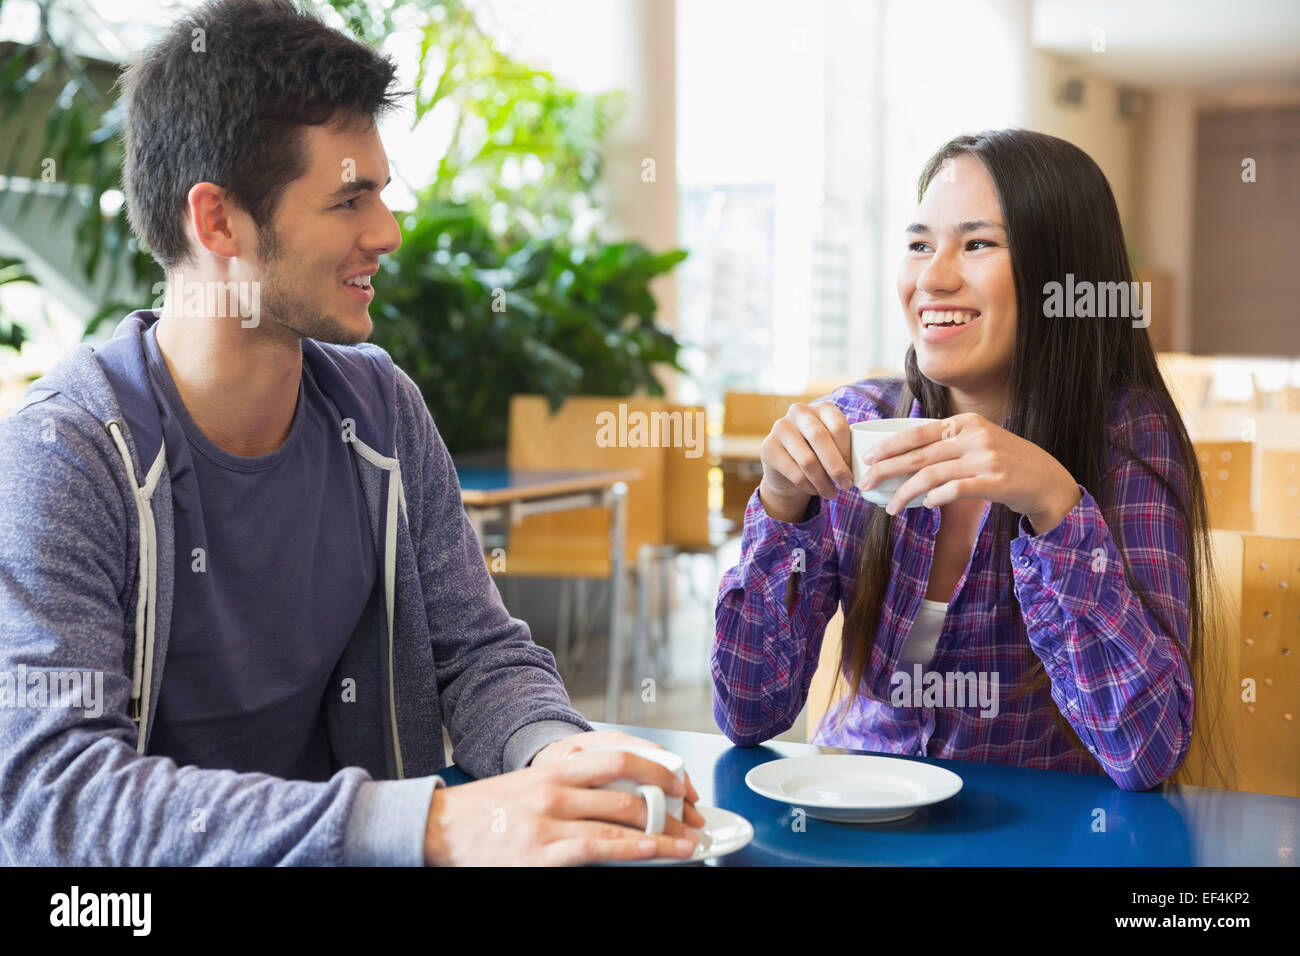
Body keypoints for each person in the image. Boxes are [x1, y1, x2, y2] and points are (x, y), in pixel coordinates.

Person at [0, 0, 701, 866]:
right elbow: (55, 800)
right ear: (217, 221)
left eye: (383, 191)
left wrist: (558, 755)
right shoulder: (66, 455)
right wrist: (434, 826)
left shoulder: (381, 408)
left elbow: (478, 654)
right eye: (349, 198)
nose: (388, 232)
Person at [713, 128, 1227, 792]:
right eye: (920, 244)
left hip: (1040, 839)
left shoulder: (1126, 438)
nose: (933, 277)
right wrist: (782, 508)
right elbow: (748, 713)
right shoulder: (859, 426)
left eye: (977, 244)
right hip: (857, 820)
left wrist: (1055, 505)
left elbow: (1146, 751)